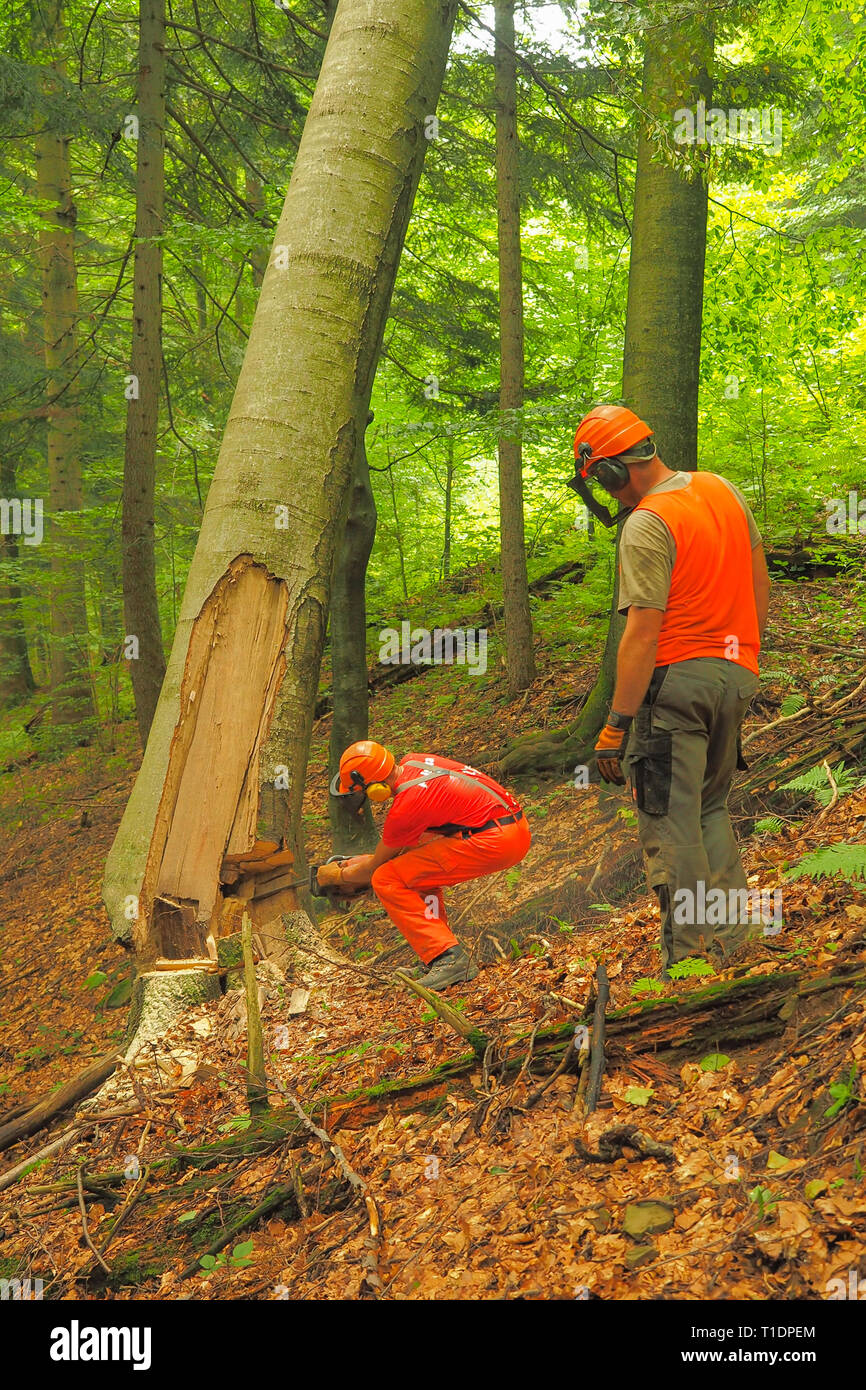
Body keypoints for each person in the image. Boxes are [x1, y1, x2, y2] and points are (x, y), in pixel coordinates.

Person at [572, 404, 770, 976]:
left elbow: (641, 629)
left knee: (670, 820)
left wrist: (616, 723)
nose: (608, 497)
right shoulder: (721, 490)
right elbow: (760, 581)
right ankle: (740, 942)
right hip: (736, 673)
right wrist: (745, 659)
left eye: (602, 485)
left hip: (675, 684)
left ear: (611, 472)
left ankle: (689, 961)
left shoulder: (647, 523)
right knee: (709, 809)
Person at [320, 740, 531, 990]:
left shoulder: (406, 805)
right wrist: (360, 862)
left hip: (495, 838)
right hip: (507, 826)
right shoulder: (414, 761)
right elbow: (406, 848)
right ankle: (436, 955)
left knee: (386, 878)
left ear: (376, 787)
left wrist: (336, 876)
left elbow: (375, 868)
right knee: (415, 873)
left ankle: (449, 958)